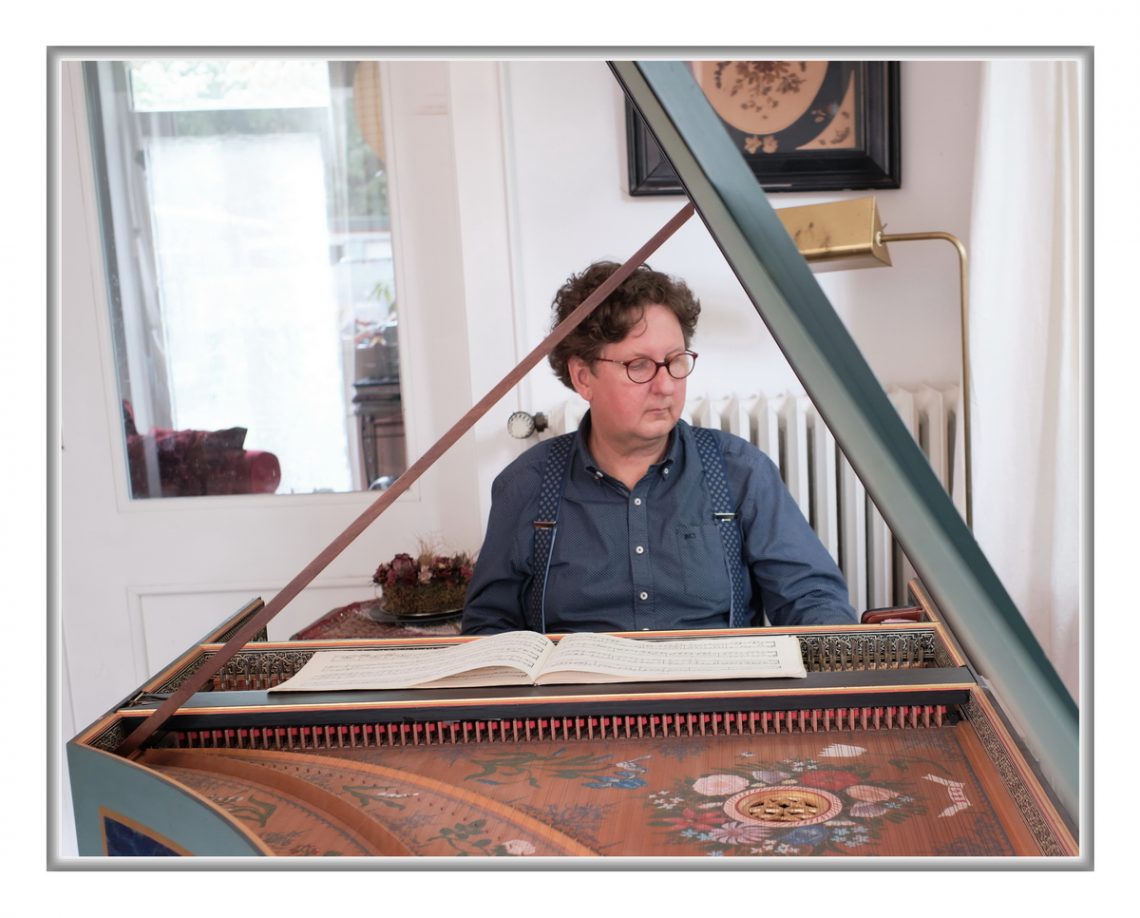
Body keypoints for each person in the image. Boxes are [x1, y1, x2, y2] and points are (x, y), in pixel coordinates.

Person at [461, 260, 857, 635]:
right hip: (581, 706)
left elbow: (814, 599)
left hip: (717, 704)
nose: (666, 385)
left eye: (675, 361)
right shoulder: (526, 485)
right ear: (584, 377)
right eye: (639, 366)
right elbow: (488, 629)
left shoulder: (742, 472)